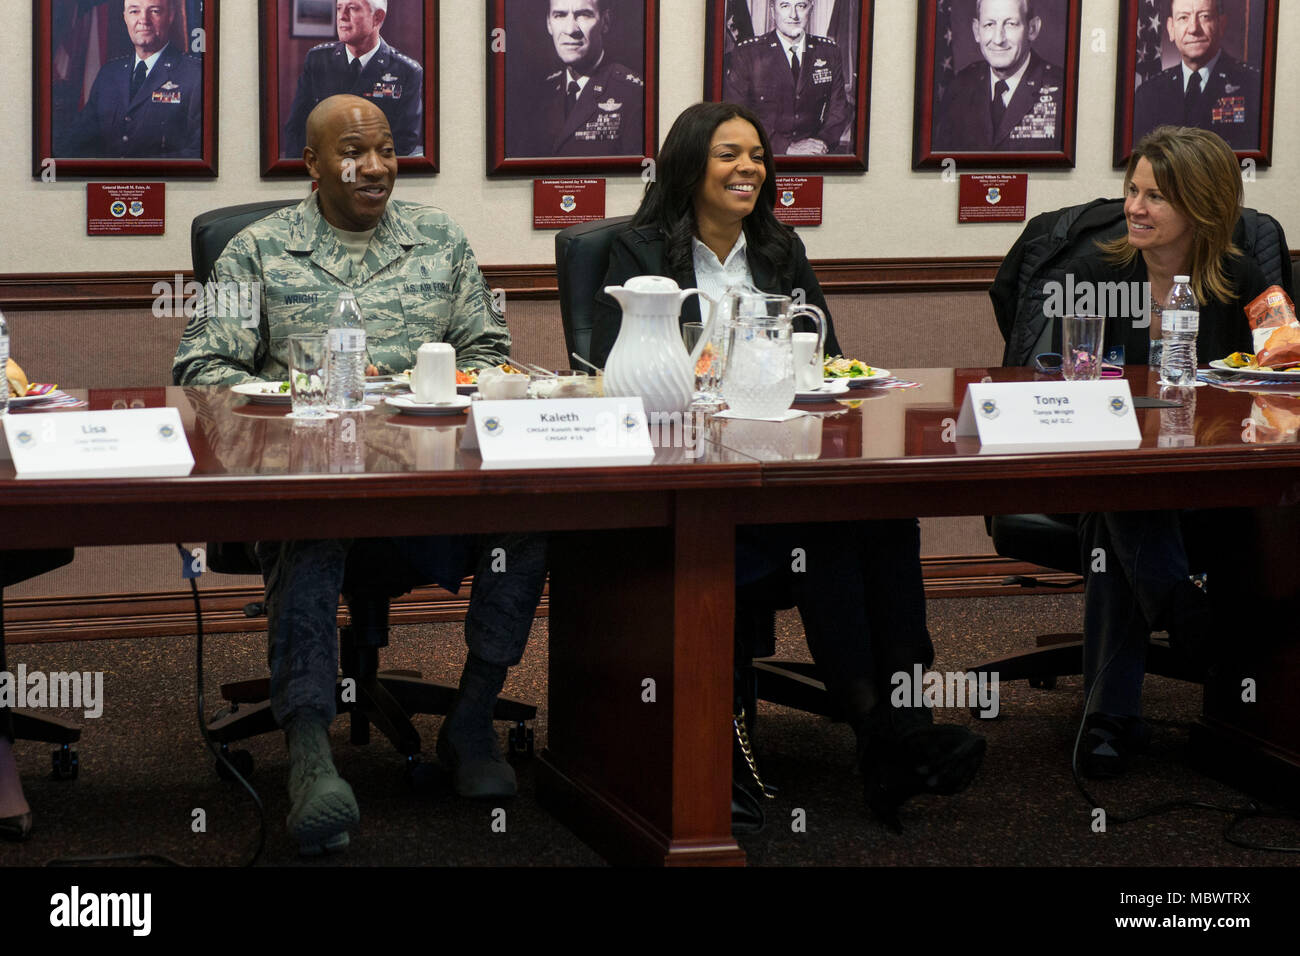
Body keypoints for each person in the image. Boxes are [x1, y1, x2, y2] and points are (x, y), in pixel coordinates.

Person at [591, 102, 986, 827]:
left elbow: (826, 353)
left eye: (757, 156)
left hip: (782, 454)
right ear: (689, 166)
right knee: (831, 533)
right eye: (728, 155)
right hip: (693, 480)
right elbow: (625, 370)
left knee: (888, 511)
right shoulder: (639, 254)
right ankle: (881, 738)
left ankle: (906, 717)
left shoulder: (776, 247)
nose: (749, 169)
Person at [173, 95, 546, 854]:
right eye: (352, 153)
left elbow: (487, 352)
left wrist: (432, 385)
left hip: (433, 480)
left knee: (535, 512)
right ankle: (310, 755)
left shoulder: (439, 238)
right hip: (311, 476)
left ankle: (472, 719)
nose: (374, 167)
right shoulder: (255, 250)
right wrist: (303, 391)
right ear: (311, 165)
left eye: (385, 150)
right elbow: (201, 370)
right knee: (311, 527)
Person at [1062, 126, 1269, 776]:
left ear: (1202, 205)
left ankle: (1110, 715)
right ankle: (1179, 607)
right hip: (1107, 467)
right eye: (1132, 190)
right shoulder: (1096, 269)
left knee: (1124, 517)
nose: (1134, 207)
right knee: (1119, 500)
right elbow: (1056, 373)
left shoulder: (1241, 276)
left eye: (1156, 196)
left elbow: (1285, 363)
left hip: (1214, 473)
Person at [58, 0, 202, 158]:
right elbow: (76, 141)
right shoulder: (109, 74)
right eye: (134, 11)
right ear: (125, 17)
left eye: (154, 11)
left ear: (170, 16)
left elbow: (198, 153)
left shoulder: (195, 76)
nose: (143, 20)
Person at [282, 0, 424, 158]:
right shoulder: (317, 60)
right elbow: (296, 128)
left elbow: (404, 142)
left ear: (377, 18)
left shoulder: (407, 71)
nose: (342, 16)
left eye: (352, 8)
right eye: (339, 8)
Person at [507, 0, 644, 158]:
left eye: (584, 15)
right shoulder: (536, 95)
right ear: (549, 24)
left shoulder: (633, 94)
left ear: (605, 22)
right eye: (559, 15)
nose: (570, 29)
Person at [722, 0, 850, 155]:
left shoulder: (829, 52)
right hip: (763, 154)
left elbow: (839, 110)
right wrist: (785, 148)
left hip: (814, 154)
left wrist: (821, 143)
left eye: (801, 6)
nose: (793, 15)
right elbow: (737, 114)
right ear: (772, 10)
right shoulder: (748, 54)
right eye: (785, 6)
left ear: (811, 9)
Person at [933, 0, 1064, 152]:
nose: (998, 39)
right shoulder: (960, 88)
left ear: (1032, 29)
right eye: (989, 24)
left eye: (1011, 24)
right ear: (977, 31)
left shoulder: (1063, 92)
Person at [1132, 0, 1261, 150]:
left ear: (1221, 24)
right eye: (1183, 18)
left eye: (1204, 16)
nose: (1193, 28)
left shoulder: (1253, 85)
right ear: (1171, 28)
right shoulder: (1148, 93)